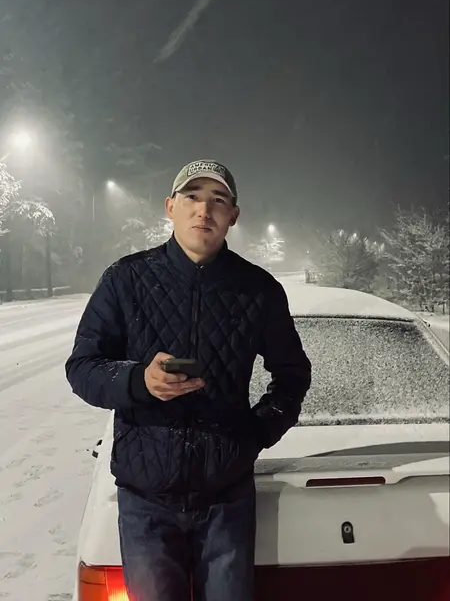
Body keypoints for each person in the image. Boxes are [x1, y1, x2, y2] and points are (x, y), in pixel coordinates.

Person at [66, 159, 311, 601]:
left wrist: (256, 433)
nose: (204, 210)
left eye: (218, 200)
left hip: (227, 499)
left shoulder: (259, 290)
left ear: (233, 215)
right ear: (170, 207)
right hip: (146, 500)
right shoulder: (126, 279)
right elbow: (83, 366)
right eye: (193, 197)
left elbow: (292, 374)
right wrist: (138, 381)